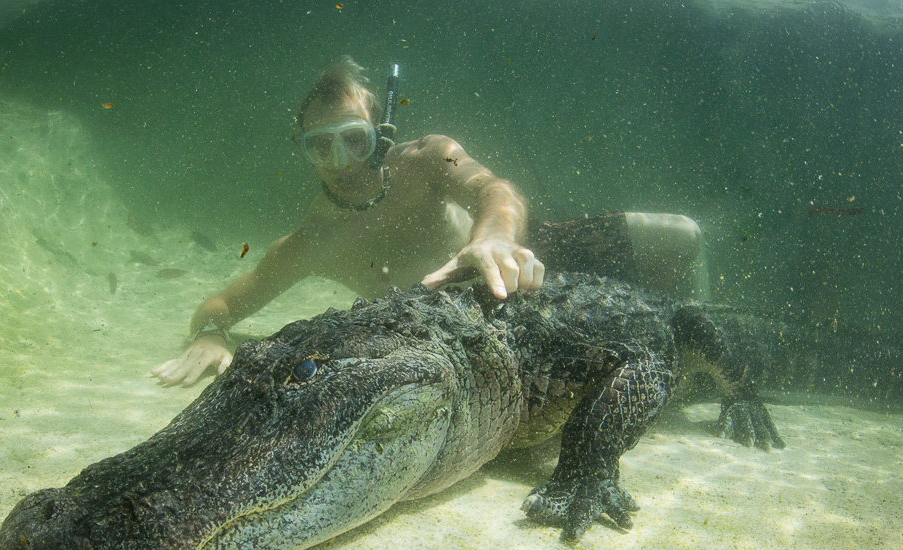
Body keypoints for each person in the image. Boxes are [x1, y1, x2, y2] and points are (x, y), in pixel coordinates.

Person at [152, 57, 702, 386]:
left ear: (381, 134)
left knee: (679, 235)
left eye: (354, 139)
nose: (342, 164)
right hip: (473, 331)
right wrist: (209, 334)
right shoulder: (312, 240)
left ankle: (682, 338)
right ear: (301, 150)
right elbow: (221, 306)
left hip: (528, 258)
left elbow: (495, 188)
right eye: (322, 148)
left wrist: (493, 237)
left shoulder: (428, 157)